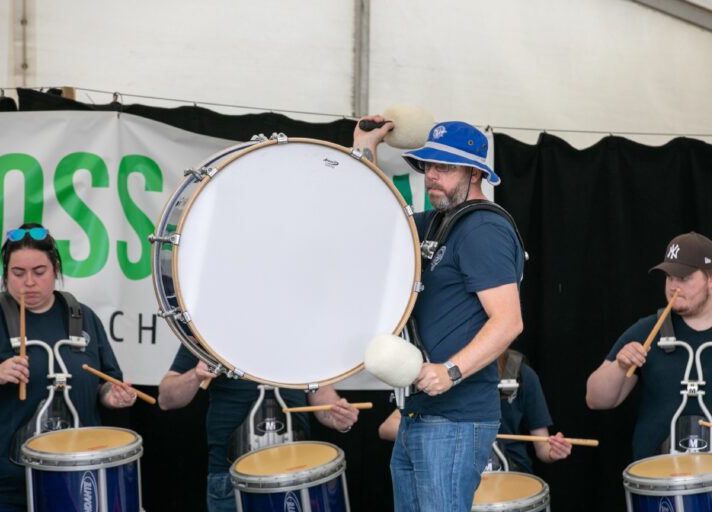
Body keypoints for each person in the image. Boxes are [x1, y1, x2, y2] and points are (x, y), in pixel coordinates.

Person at [354, 117, 526, 511]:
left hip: (455, 420)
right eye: (428, 166)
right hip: (419, 414)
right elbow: (374, 223)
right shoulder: (435, 221)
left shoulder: (484, 228)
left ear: (476, 172)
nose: (432, 176)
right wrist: (365, 146)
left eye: (445, 167)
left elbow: (509, 321)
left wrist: (451, 370)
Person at [586, 232, 712, 511]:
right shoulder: (646, 331)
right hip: (658, 494)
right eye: (670, 278)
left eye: (685, 278)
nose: (674, 287)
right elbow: (596, 399)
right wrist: (620, 366)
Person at [0, 223, 136, 512]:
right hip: (6, 487)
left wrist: (113, 395)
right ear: (6, 273)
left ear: (56, 268)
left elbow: (105, 383)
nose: (28, 282)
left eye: (39, 272)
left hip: (77, 478)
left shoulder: (83, 318)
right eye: (17, 274)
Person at [158, 345, 361, 512]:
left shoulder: (302, 332)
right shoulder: (209, 331)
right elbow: (166, 399)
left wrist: (337, 416)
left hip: (296, 476)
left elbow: (322, 396)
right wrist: (196, 375)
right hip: (231, 478)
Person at [379, 350, 572, 474]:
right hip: (453, 471)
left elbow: (543, 448)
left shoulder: (522, 374)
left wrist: (553, 451)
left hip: (511, 474)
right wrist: (439, 435)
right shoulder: (443, 374)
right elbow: (386, 428)